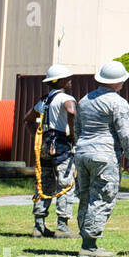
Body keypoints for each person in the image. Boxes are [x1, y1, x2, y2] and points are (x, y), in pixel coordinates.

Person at [72, 61, 129, 257]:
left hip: (82, 152)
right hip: (105, 154)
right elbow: (126, 134)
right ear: (118, 82)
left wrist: (80, 147)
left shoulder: (84, 100)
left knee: (85, 196)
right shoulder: (118, 102)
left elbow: (77, 128)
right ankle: (89, 245)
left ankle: (85, 237)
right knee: (102, 197)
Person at [24, 64, 79, 239]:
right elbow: (71, 111)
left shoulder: (44, 101)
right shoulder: (66, 98)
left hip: (44, 146)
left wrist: (36, 135)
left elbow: (27, 119)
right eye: (68, 78)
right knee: (66, 184)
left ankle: (38, 226)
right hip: (62, 145)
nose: (70, 81)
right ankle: (62, 226)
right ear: (61, 81)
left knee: (44, 184)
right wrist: (72, 132)